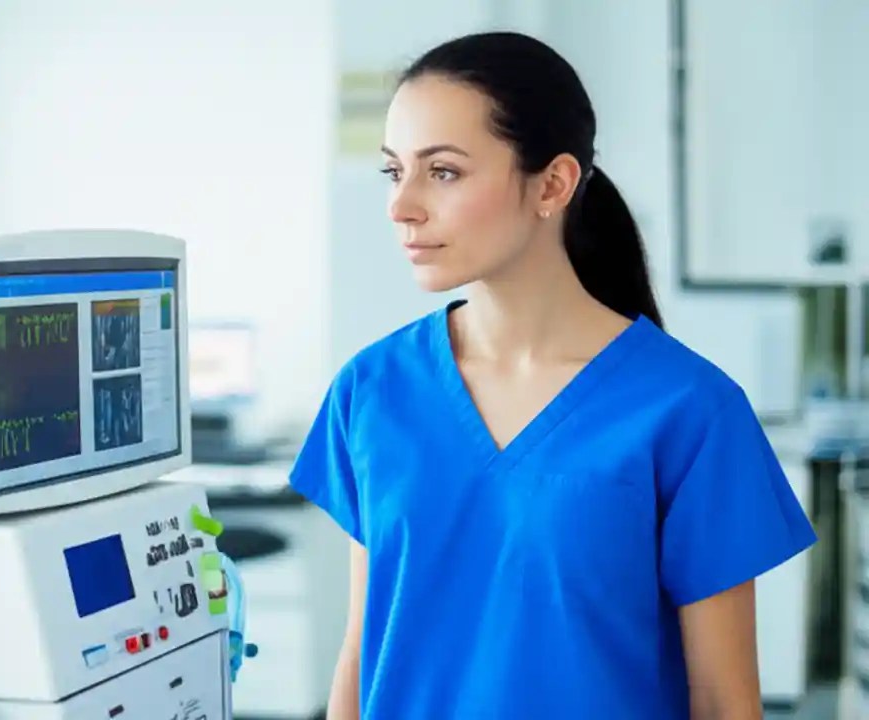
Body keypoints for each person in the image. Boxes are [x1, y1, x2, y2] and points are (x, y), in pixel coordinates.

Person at [288, 31, 816, 720]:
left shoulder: (689, 411)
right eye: (395, 171)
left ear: (554, 184)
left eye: (442, 172)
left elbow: (722, 701)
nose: (402, 205)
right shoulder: (372, 390)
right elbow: (363, 656)